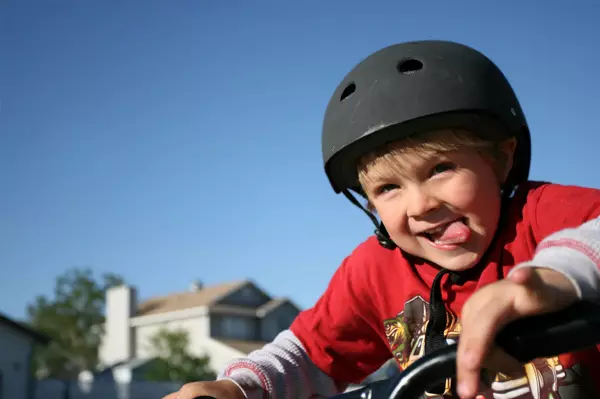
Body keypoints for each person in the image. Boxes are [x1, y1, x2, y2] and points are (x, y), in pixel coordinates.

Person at [164, 40, 600, 399]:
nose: (420, 205)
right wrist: (237, 389)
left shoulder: (542, 215)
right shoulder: (374, 270)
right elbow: (309, 354)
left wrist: (558, 275)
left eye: (440, 169)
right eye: (388, 189)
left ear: (501, 159)